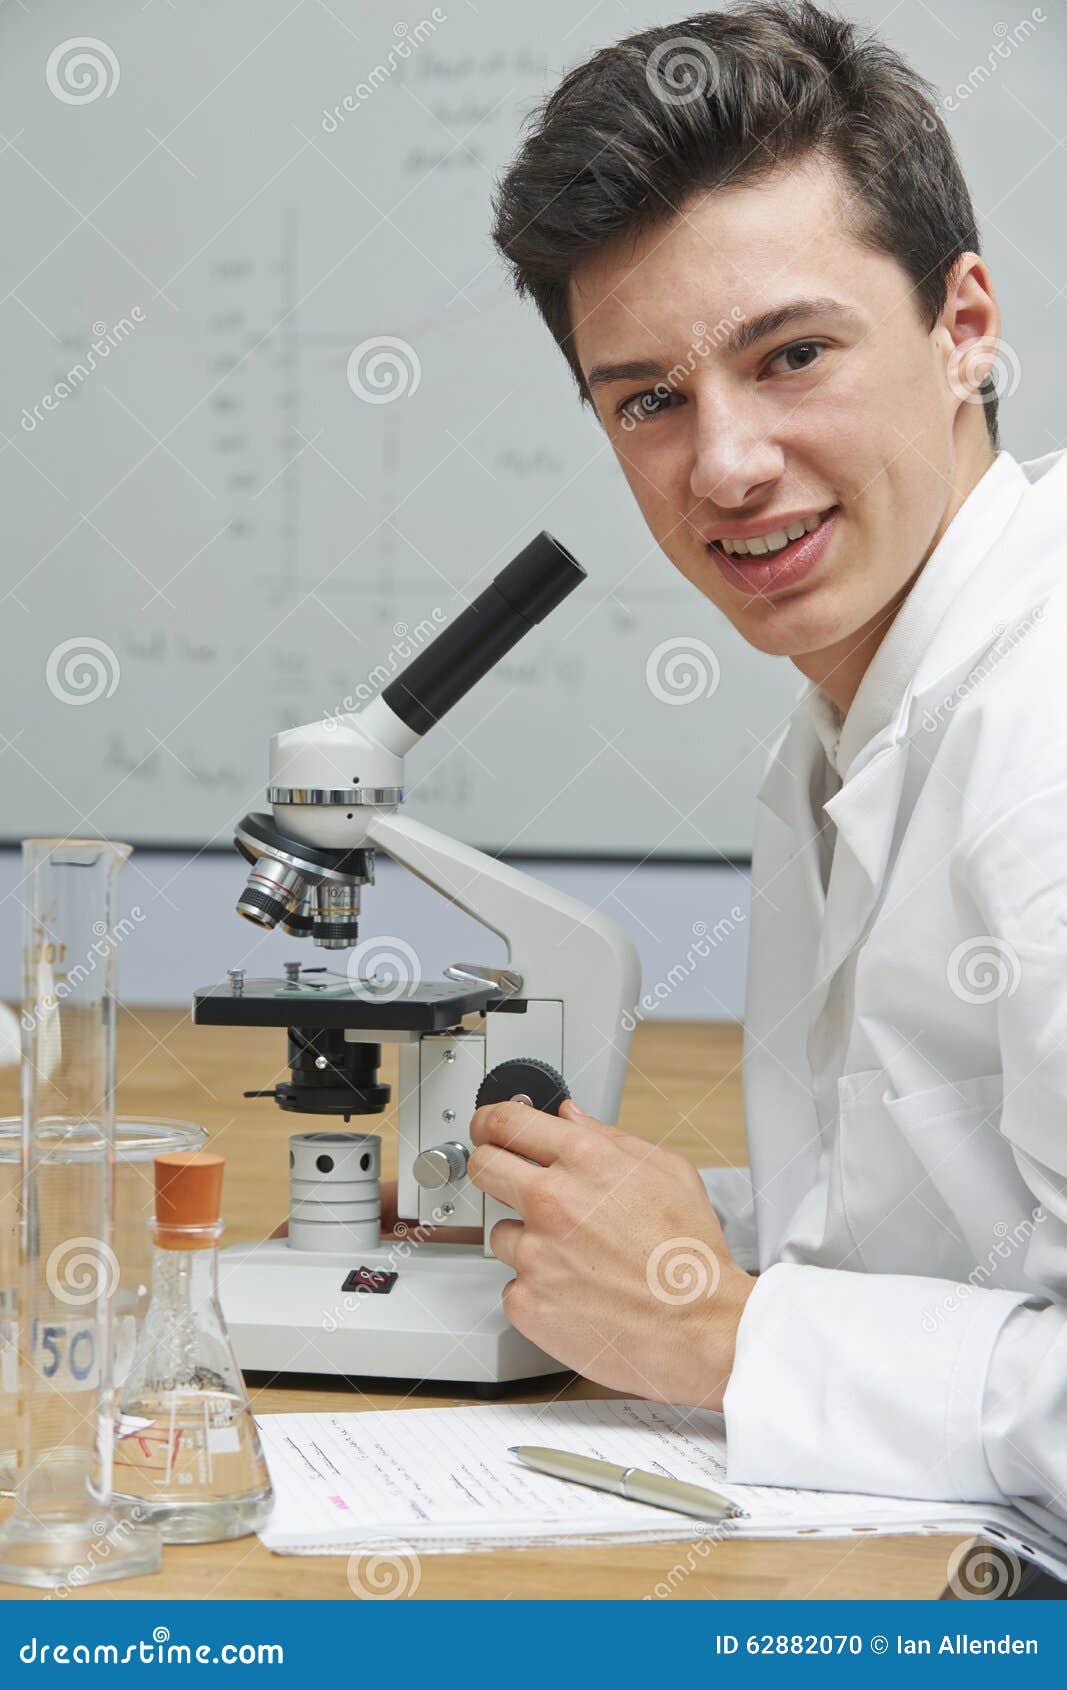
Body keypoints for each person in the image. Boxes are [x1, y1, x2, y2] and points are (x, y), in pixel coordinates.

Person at [463, 0, 1067, 1590]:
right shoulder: (850, 727)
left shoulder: (1045, 748)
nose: (725, 465)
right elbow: (933, 1227)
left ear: (964, 326)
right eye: (647, 399)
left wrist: (727, 1328)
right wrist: (634, 1230)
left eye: (792, 355)